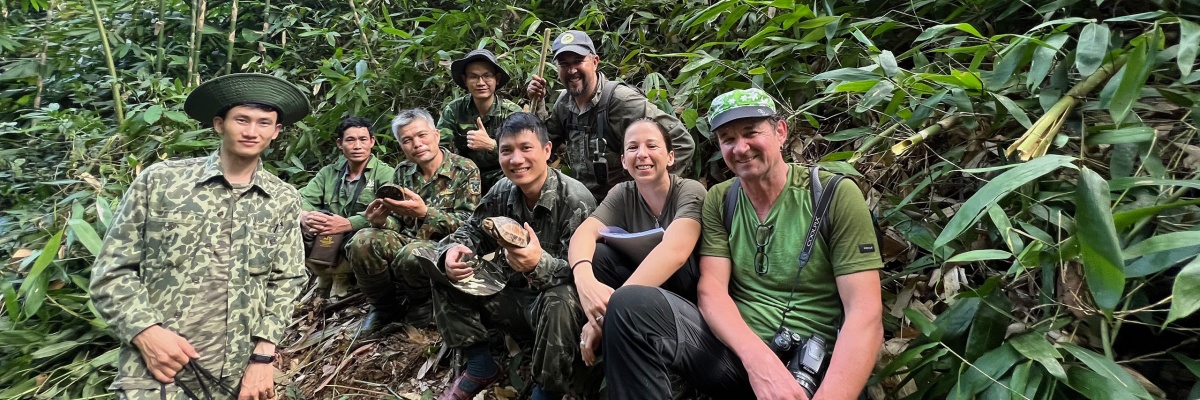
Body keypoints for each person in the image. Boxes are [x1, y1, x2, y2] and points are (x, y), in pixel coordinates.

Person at [603, 88, 884, 399]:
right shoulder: (722, 199)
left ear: (780, 132)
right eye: (728, 139)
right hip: (737, 358)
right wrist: (758, 363)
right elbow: (712, 292)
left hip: (813, 371)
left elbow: (865, 312)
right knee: (629, 306)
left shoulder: (833, 195)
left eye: (751, 133)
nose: (741, 148)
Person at [89, 73, 310, 399]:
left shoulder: (283, 198)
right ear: (219, 124)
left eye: (264, 123)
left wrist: (263, 356)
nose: (251, 132)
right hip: (157, 369)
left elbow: (287, 279)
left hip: (237, 375)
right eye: (242, 120)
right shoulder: (162, 182)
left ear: (276, 132)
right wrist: (145, 333)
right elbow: (111, 271)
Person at [413, 112, 595, 400]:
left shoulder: (575, 200)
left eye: (526, 148)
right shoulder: (502, 190)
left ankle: (547, 390)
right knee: (440, 261)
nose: (516, 159)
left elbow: (584, 274)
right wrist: (452, 251)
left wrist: (538, 264)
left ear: (547, 151)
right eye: (506, 150)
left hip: (553, 315)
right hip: (507, 296)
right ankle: (479, 362)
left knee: (560, 298)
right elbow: (470, 230)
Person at [566, 118, 705, 366]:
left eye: (652, 146)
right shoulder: (623, 194)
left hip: (689, 301)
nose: (642, 154)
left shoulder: (690, 191)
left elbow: (676, 252)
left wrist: (604, 314)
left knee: (671, 254)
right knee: (597, 255)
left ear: (671, 157)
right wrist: (585, 280)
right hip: (642, 294)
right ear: (623, 161)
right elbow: (584, 234)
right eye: (632, 148)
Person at [345, 108, 482, 335]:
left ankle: (422, 304)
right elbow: (397, 221)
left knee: (413, 253)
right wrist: (380, 222)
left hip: (447, 247)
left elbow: (470, 224)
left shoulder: (464, 169)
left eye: (422, 135)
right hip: (409, 241)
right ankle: (383, 308)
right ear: (401, 146)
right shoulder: (403, 172)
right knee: (362, 241)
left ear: (436, 135)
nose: (416, 144)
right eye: (407, 140)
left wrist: (425, 212)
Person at [526, 30, 696, 203]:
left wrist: (649, 191)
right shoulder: (564, 104)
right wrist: (538, 102)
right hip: (582, 203)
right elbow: (543, 146)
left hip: (624, 205)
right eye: (564, 64)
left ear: (595, 62)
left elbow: (682, 142)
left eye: (578, 61)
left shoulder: (622, 102)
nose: (571, 70)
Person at [298, 116, 396, 298]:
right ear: (339, 144)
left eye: (363, 139)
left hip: (356, 232)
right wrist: (307, 216)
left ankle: (342, 278)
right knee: (292, 224)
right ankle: (323, 277)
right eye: (350, 140)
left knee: (365, 237)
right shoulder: (328, 173)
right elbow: (304, 198)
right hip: (327, 233)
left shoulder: (385, 173)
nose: (357, 146)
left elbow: (390, 210)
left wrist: (349, 223)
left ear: (372, 142)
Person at [437, 48, 523, 193]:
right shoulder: (454, 110)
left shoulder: (511, 113)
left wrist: (492, 146)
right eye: (474, 77)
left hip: (503, 177)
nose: (480, 82)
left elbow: (524, 154)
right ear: (465, 80)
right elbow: (439, 148)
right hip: (464, 176)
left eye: (487, 76)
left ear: (497, 79)